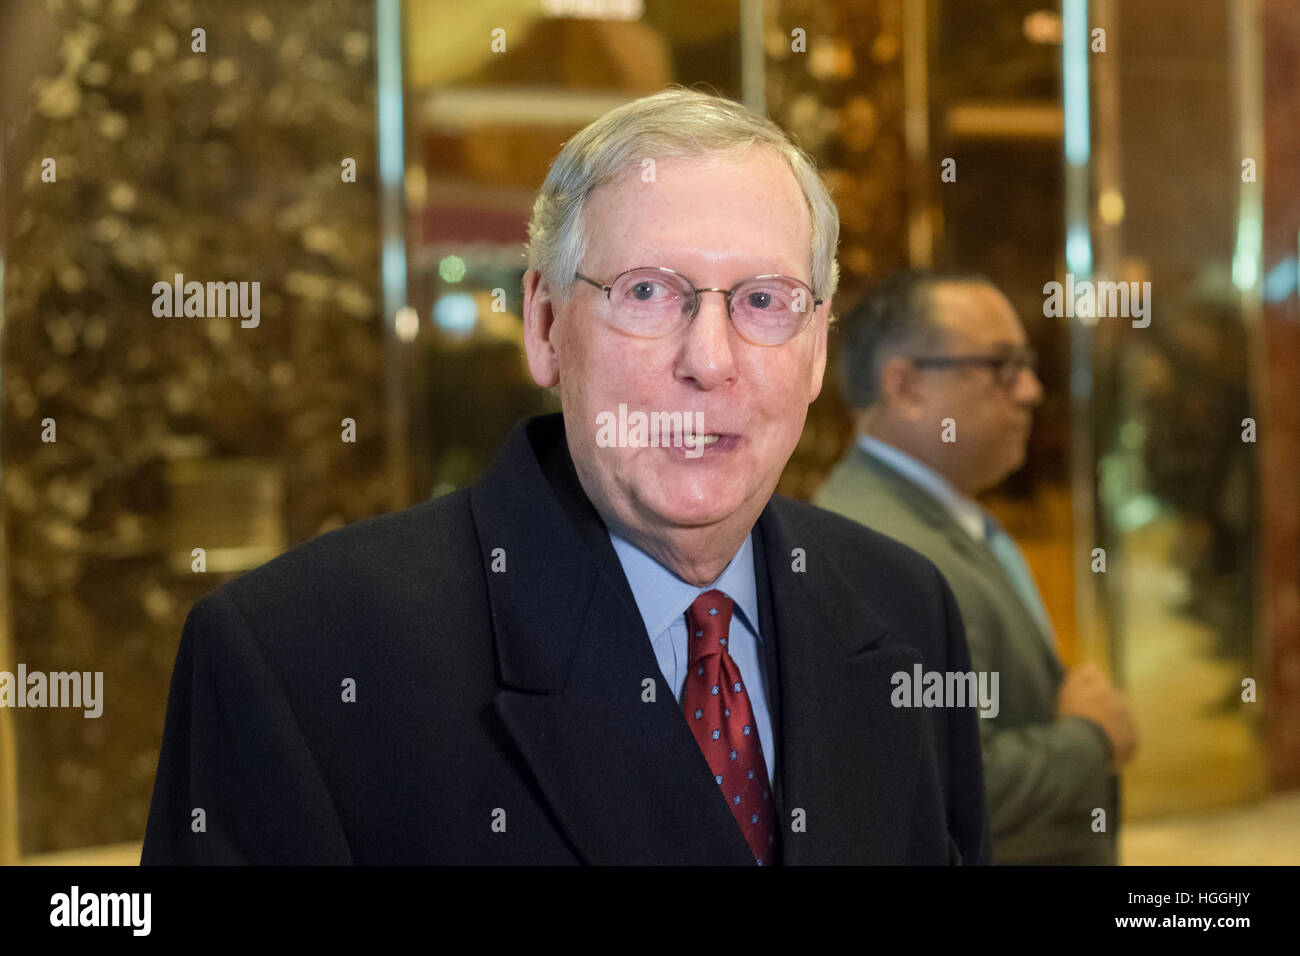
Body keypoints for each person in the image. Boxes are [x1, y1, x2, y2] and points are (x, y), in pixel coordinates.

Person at [142, 89, 989, 865]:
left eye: (765, 301)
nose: (710, 360)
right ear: (545, 327)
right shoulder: (296, 657)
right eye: (650, 291)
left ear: (817, 351)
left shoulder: (904, 606)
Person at [815, 270, 1137, 865]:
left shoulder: (931, 514)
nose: (1031, 391)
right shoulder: (885, 552)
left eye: (1027, 364)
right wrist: (1090, 737)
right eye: (1001, 366)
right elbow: (942, 786)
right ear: (907, 386)